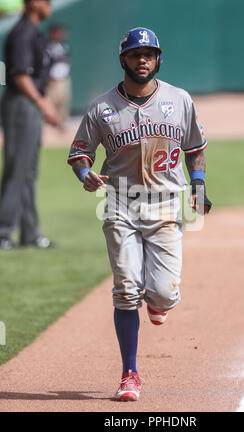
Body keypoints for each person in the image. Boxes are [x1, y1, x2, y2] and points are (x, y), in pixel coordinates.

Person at [68, 27, 212, 401]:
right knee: (126, 289)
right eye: (135, 54)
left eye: (149, 54)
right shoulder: (102, 107)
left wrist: (197, 187)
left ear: (158, 59)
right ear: (123, 60)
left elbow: (195, 147)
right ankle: (130, 373)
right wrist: (85, 173)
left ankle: (158, 302)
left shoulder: (179, 100)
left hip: (165, 203)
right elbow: (79, 152)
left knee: (161, 294)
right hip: (120, 203)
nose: (142, 60)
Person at [0, 0, 59, 250]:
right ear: (34, 3)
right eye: (47, 1)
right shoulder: (23, 31)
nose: (50, 6)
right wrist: (42, 102)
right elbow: (19, 74)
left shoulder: (34, 31)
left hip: (29, 105)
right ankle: (3, 232)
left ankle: (29, 232)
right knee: (17, 168)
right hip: (21, 104)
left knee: (29, 170)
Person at [46, 23, 71, 126]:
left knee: (63, 102)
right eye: (57, 32)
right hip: (51, 80)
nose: (60, 35)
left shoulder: (64, 46)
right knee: (51, 103)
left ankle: (61, 125)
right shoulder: (47, 46)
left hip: (64, 78)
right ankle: (50, 125)